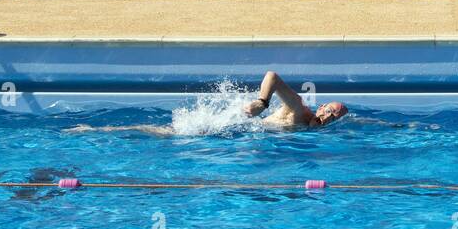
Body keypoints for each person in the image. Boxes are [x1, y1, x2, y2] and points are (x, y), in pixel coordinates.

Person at [65, 71, 349, 136]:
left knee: (173, 134)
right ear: (322, 107)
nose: (330, 118)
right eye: (332, 112)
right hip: (235, 127)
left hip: (240, 136)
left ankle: (99, 131)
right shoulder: (299, 109)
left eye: (335, 119)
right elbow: (272, 76)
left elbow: (361, 122)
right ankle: (95, 130)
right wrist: (261, 103)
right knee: (175, 134)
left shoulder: (313, 131)